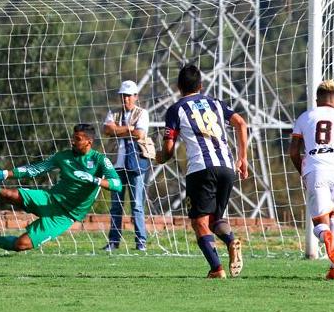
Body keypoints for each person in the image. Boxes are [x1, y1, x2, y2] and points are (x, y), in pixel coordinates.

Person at [0, 124, 121, 252]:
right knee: (7, 193)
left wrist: (94, 180)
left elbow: (117, 185)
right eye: (73, 138)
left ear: (89, 142)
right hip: (49, 198)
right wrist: (2, 174)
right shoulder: (62, 156)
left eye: (78, 139)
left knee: (21, 245)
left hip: (65, 216)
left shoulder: (99, 160)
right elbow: (34, 169)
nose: (73, 142)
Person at [154, 64, 249, 278]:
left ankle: (217, 269)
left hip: (200, 169)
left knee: (199, 222)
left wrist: (157, 156)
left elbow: (168, 151)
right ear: (201, 85)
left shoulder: (176, 109)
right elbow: (241, 123)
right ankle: (231, 241)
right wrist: (242, 158)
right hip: (226, 167)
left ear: (179, 86)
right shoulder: (215, 103)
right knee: (216, 219)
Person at [289, 80, 334, 280]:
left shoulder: (306, 117)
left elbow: (294, 151)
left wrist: (302, 171)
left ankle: (326, 238)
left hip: (317, 168)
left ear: (317, 100)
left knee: (319, 223)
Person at [102, 80, 151, 251]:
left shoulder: (142, 113)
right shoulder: (113, 112)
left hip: (136, 164)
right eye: (123, 96)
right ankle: (113, 242)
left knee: (137, 205)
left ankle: (141, 242)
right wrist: (129, 128)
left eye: (129, 96)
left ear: (136, 97)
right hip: (116, 165)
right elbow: (107, 129)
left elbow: (140, 133)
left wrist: (119, 129)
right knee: (116, 204)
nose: (125, 99)